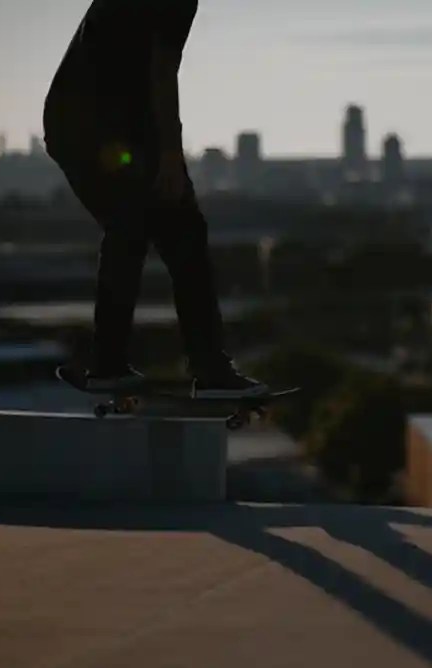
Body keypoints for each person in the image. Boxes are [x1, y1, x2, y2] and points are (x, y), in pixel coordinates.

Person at [43, 0, 267, 398]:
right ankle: (116, 364)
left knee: (178, 233)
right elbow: (163, 72)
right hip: (91, 125)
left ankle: (201, 366)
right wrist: (170, 157)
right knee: (133, 223)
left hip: (104, 121)